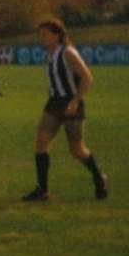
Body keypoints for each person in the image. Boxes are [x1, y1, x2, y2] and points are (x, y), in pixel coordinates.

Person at [23, 19, 107, 202]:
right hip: (54, 104)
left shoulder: (68, 53)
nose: (41, 38)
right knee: (40, 143)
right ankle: (42, 190)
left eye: (45, 34)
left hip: (71, 104)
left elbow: (87, 77)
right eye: (40, 34)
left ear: (57, 35)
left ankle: (99, 177)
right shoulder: (49, 55)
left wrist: (75, 101)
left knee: (77, 150)